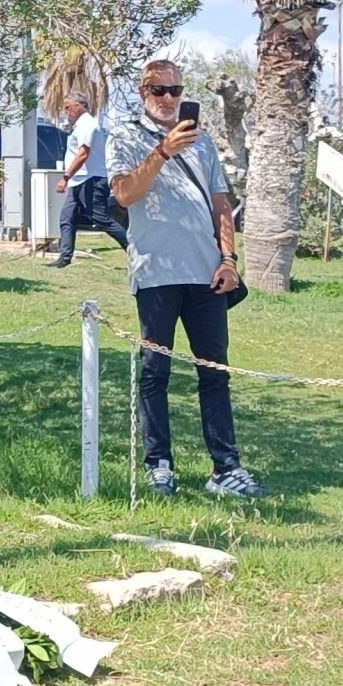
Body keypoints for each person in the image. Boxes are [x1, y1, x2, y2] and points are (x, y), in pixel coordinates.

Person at [107, 59, 264, 500]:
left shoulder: (202, 142)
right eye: (160, 91)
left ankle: (226, 468)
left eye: (176, 90)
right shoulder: (124, 137)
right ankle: (160, 465)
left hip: (207, 274)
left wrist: (230, 259)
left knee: (215, 372)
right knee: (156, 371)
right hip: (156, 273)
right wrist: (161, 153)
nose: (169, 99)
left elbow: (220, 203)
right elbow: (123, 194)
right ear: (143, 92)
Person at [48, 87, 129, 266]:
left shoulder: (88, 124)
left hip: (91, 179)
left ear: (79, 106)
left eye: (68, 107)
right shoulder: (79, 126)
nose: (66, 111)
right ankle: (64, 258)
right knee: (66, 217)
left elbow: (83, 154)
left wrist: (65, 177)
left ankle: (132, 249)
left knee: (101, 220)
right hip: (80, 180)